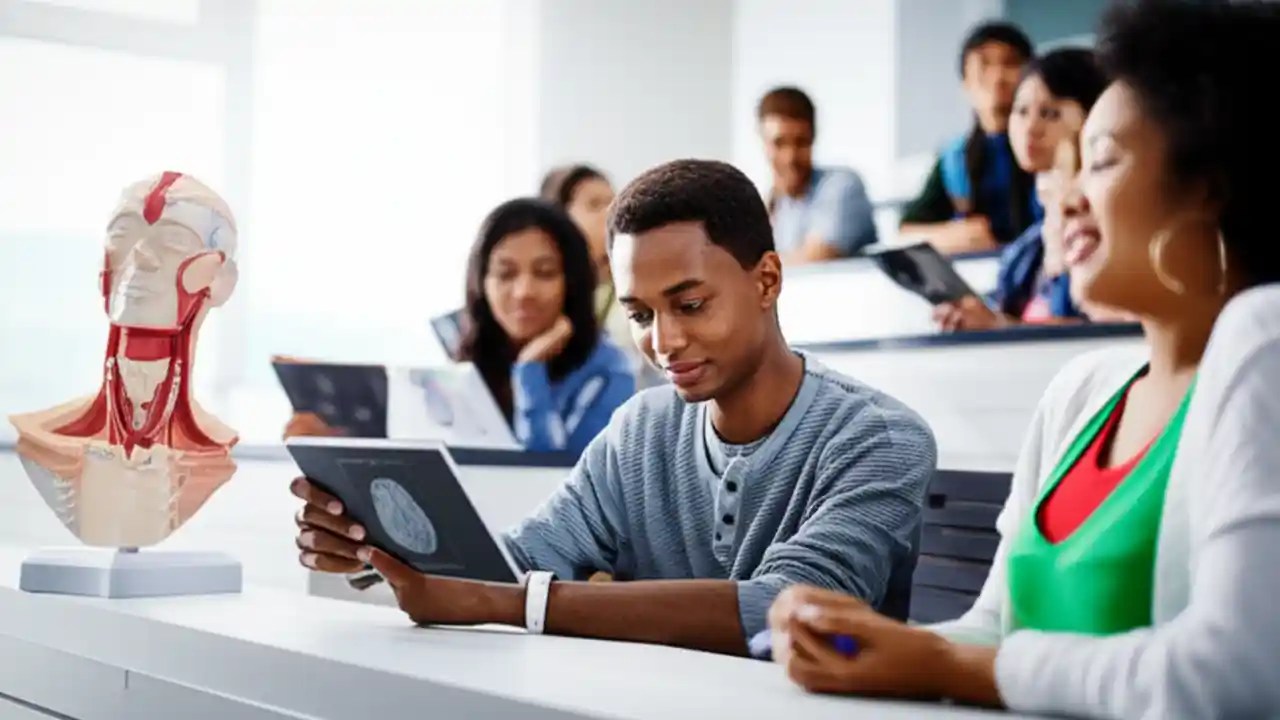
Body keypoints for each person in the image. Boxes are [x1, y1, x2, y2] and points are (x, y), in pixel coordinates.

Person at [766, 2, 1280, 718]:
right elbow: (992, 635)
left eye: (1100, 161)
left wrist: (942, 661)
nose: (1067, 198)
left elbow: (1235, 677)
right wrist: (863, 644)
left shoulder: (1266, 340)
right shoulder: (1083, 389)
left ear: (1207, 185)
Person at [291, 159, 936, 655]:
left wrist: (519, 604)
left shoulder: (881, 439)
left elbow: (785, 610)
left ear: (766, 279)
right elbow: (521, 561)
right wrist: (375, 549)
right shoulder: (642, 427)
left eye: (689, 305)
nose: (664, 341)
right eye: (639, 314)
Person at [286, 198, 634, 456]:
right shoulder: (470, 361)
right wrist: (333, 440)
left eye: (544, 273)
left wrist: (530, 371)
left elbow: (549, 479)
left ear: (572, 281)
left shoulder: (610, 372)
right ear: (481, 282)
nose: (524, 291)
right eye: (505, 273)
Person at [933, 48, 1109, 331]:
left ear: (1094, 119)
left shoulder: (1102, 234)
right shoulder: (1028, 248)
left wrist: (999, 326)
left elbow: (1100, 338)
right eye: (1021, 111)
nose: (1030, 127)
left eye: (1050, 113)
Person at [899, 21, 1035, 255]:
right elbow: (907, 232)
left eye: (1010, 63)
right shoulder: (955, 158)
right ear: (965, 82)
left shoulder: (1047, 142)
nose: (998, 76)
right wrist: (957, 234)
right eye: (984, 64)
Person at [540, 164, 661, 388]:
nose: (610, 213)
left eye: (612, 203)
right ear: (559, 217)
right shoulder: (542, 299)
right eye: (594, 205)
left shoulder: (636, 289)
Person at [757, 87, 877, 264]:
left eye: (801, 142)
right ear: (763, 142)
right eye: (779, 143)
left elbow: (817, 257)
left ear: (814, 138)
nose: (790, 157)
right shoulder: (772, 204)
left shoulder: (843, 186)